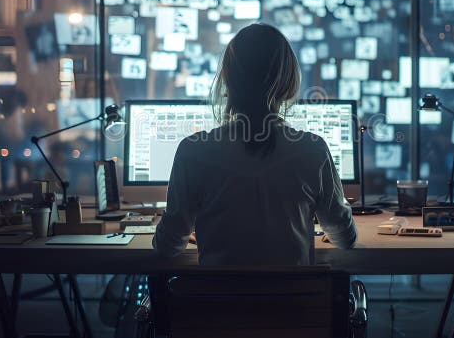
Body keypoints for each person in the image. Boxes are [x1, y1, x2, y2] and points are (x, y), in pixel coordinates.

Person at [153, 23, 357, 265]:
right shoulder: (313, 149)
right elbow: (346, 239)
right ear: (289, 83)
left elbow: (167, 247)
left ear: (228, 80)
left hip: (218, 303)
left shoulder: (193, 150)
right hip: (294, 302)